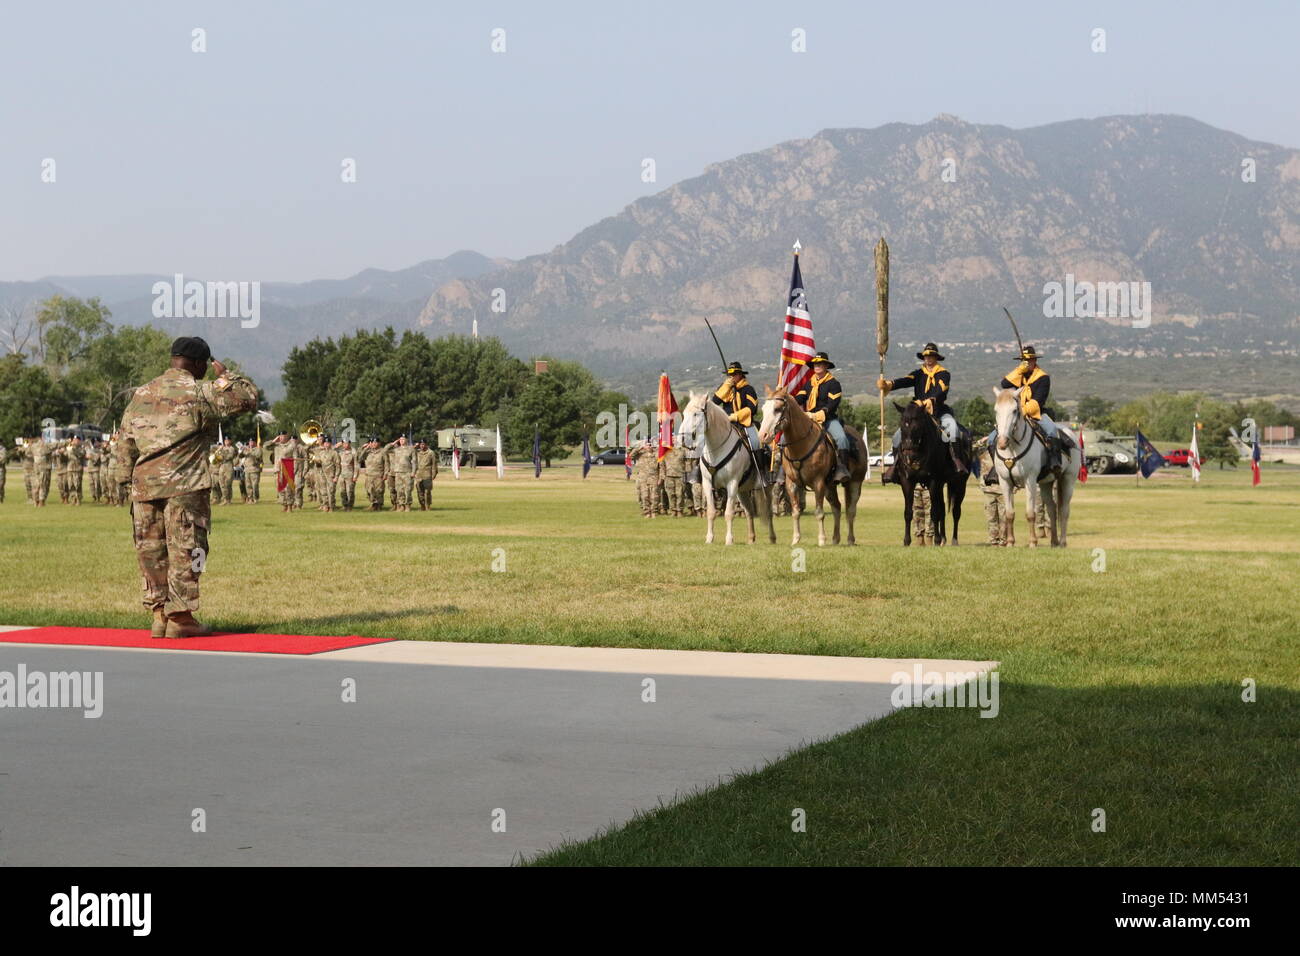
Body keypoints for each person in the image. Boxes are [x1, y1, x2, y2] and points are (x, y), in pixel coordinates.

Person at [115, 336, 258, 638]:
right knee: (189, 550)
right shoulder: (200, 391)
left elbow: (125, 441)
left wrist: (126, 479)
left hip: (144, 488)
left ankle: (158, 617)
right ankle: (181, 618)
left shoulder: (142, 393)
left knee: (151, 551)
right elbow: (248, 398)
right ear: (197, 363)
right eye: (205, 364)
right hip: (185, 486)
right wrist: (226, 376)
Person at [878, 341, 965, 481]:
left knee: (953, 429)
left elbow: (942, 389)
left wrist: (931, 400)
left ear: (936, 358)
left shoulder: (944, 374)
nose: (928, 359)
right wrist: (889, 384)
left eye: (931, 356)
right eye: (926, 357)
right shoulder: (919, 373)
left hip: (938, 411)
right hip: (918, 413)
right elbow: (905, 380)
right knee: (896, 436)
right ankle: (895, 466)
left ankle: (956, 461)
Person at [992, 345, 1062, 469]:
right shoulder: (1019, 375)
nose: (1026, 363)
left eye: (1029, 361)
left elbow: (1037, 401)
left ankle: (1054, 461)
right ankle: (995, 467)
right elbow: (1004, 384)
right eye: (1023, 361)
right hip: (1015, 414)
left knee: (1051, 430)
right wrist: (1019, 370)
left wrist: (1022, 411)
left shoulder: (1043, 377)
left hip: (1036, 413)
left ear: (1034, 361)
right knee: (992, 438)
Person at [793, 351, 852, 482]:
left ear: (826, 366)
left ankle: (842, 468)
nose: (817, 366)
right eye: (815, 364)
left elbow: (832, 405)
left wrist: (817, 415)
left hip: (828, 419)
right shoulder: (809, 383)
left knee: (841, 438)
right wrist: (787, 399)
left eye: (820, 364)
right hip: (809, 419)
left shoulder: (833, 383)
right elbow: (800, 398)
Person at [712, 361, 766, 486]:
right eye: (730, 375)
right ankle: (701, 471)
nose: (732, 377)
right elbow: (714, 402)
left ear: (741, 374)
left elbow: (752, 408)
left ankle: (761, 475)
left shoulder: (748, 389)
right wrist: (726, 387)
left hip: (744, 423)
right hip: (726, 424)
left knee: (756, 442)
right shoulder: (725, 388)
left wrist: (736, 416)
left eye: (735, 374)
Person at [385, 436, 415, 511]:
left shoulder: (411, 449)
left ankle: (407, 505)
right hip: (398, 472)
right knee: (399, 490)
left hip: (407, 472)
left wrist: (413, 472)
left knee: (407, 490)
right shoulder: (396, 449)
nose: (402, 441)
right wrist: (392, 444)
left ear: (406, 440)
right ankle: (401, 505)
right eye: (400, 439)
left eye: (403, 439)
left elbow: (414, 462)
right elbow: (384, 451)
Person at [414, 438, 438, 511]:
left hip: (427, 474)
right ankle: (422, 505)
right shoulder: (417, 452)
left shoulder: (431, 453)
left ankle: (428, 505)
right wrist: (415, 446)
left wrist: (434, 474)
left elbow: (434, 464)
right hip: (418, 475)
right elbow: (409, 451)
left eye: (423, 444)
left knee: (427, 491)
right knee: (419, 492)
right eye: (421, 444)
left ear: (426, 444)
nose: (422, 446)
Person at [336, 439, 357, 511]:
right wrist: (336, 446)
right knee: (342, 491)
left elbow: (356, 465)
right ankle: (344, 505)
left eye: (347, 443)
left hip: (350, 474)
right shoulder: (340, 452)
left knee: (350, 491)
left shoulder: (353, 452)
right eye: (344, 444)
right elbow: (330, 451)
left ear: (350, 444)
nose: (345, 445)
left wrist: (355, 475)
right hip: (341, 474)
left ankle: (350, 506)